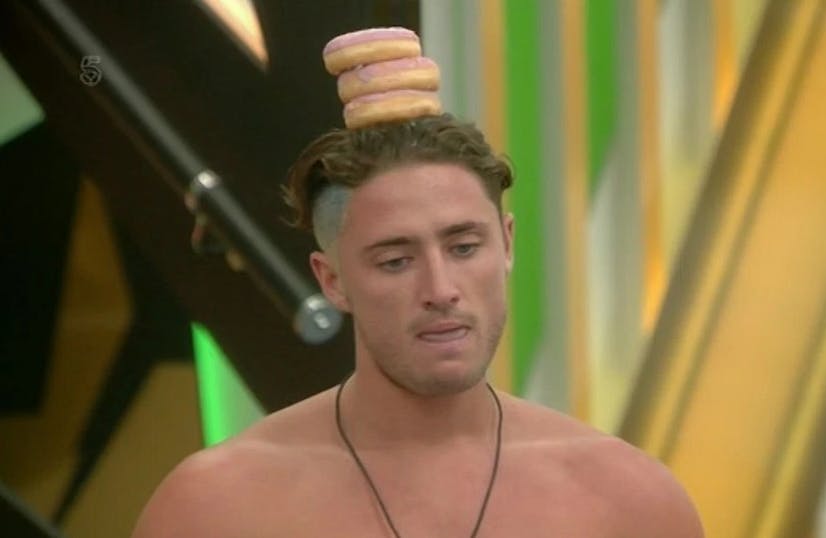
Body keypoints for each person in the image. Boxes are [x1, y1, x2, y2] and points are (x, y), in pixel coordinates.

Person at [131, 113, 704, 537]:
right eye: (395, 261)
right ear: (332, 281)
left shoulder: (630, 501)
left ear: (506, 245)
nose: (440, 289)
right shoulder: (215, 507)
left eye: (464, 247)